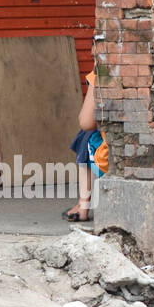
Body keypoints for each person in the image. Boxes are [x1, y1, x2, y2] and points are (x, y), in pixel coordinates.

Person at [65, 71, 97, 222]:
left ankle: (83, 207)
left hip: (108, 148)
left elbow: (85, 122)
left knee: (84, 139)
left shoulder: (100, 73)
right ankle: (81, 203)